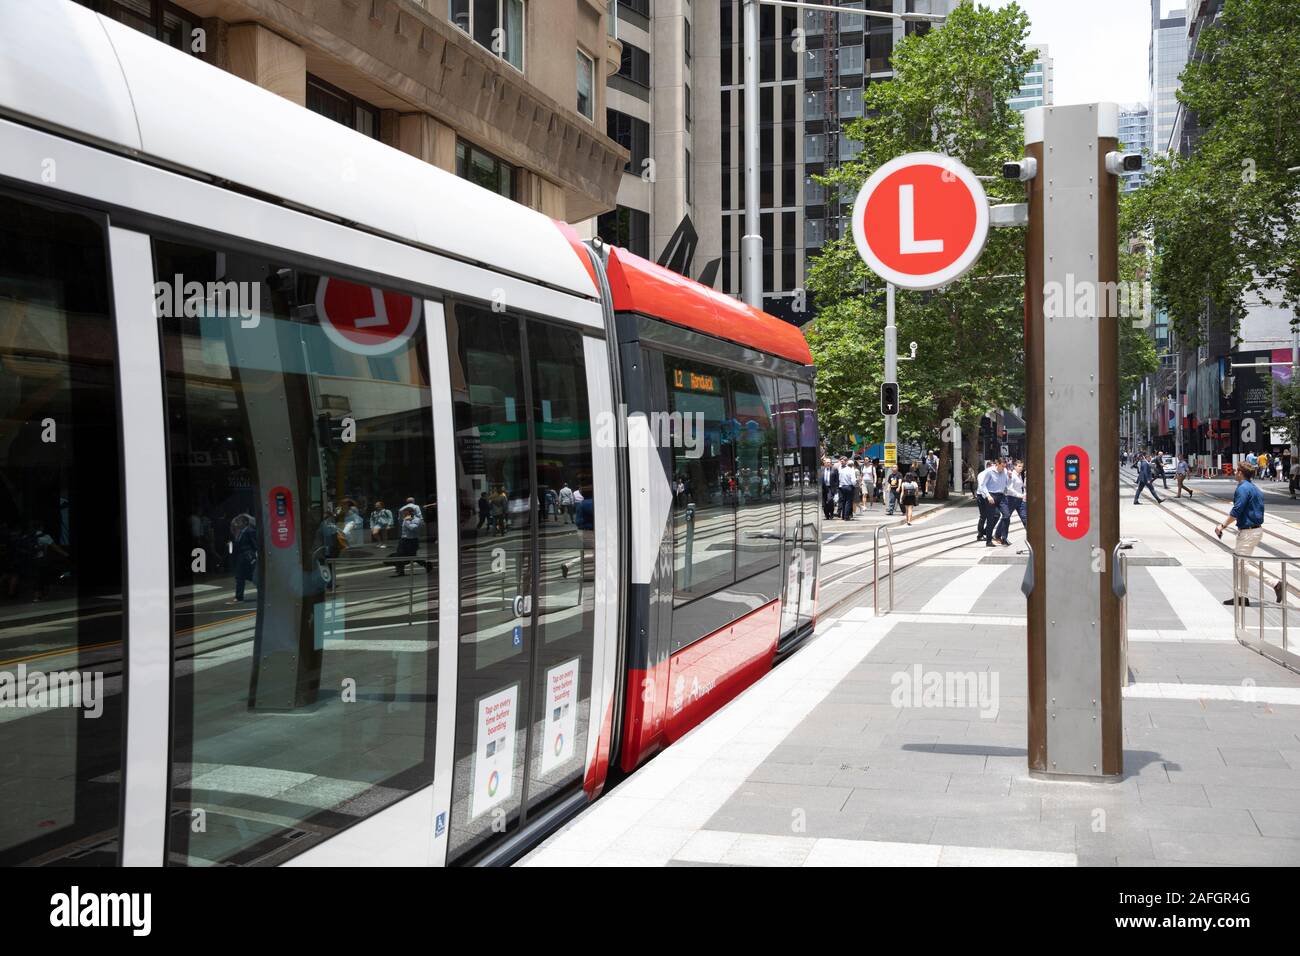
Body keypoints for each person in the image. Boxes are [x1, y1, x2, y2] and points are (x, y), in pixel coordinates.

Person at [1214, 462, 1283, 607]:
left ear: (1241, 473)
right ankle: (1241, 597)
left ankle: (1275, 583)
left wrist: (1222, 526)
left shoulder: (1243, 488)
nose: (1234, 472)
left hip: (1248, 532)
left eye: (1236, 470)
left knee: (1240, 565)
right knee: (1242, 563)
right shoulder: (1254, 488)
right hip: (1255, 530)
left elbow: (1237, 510)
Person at [978, 459, 1009, 547]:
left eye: (1004, 466)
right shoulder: (989, 471)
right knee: (991, 519)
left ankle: (1004, 538)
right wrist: (988, 496)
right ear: (997, 464)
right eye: (1002, 466)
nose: (1003, 468)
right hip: (991, 496)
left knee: (1006, 515)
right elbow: (982, 485)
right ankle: (988, 541)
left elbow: (1006, 483)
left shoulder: (1005, 471)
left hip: (1001, 496)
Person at [228, 514, 258, 603]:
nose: (237, 523)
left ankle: (264, 591)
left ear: (245, 522)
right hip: (241, 557)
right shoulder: (241, 532)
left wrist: (255, 555)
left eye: (240, 521)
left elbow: (255, 544)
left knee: (253, 576)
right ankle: (239, 597)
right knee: (239, 577)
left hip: (248, 556)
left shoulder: (250, 531)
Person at [391, 502, 424, 576]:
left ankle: (426, 565)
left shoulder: (416, 520)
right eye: (404, 514)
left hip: (412, 541)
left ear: (411, 513)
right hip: (403, 540)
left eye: (406, 513)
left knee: (412, 556)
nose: (404, 515)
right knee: (399, 555)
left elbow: (413, 528)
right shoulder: (405, 519)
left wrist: (407, 521)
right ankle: (400, 571)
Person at [1004, 460, 1028, 537]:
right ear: (1014, 466)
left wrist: (1023, 494)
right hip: (1011, 499)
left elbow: (1020, 487)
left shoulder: (1020, 475)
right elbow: (1009, 488)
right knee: (1006, 517)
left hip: (1020, 499)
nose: (1021, 468)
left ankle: (1030, 534)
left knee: (1024, 516)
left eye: (1022, 466)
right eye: (1019, 466)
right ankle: (998, 535)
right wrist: (1020, 495)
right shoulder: (1012, 475)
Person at [837, 456, 857, 521]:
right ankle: (846, 516)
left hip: (842, 486)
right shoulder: (850, 469)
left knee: (844, 501)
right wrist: (854, 485)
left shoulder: (841, 469)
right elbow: (853, 480)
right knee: (848, 502)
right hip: (849, 486)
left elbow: (839, 479)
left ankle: (843, 516)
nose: (841, 462)